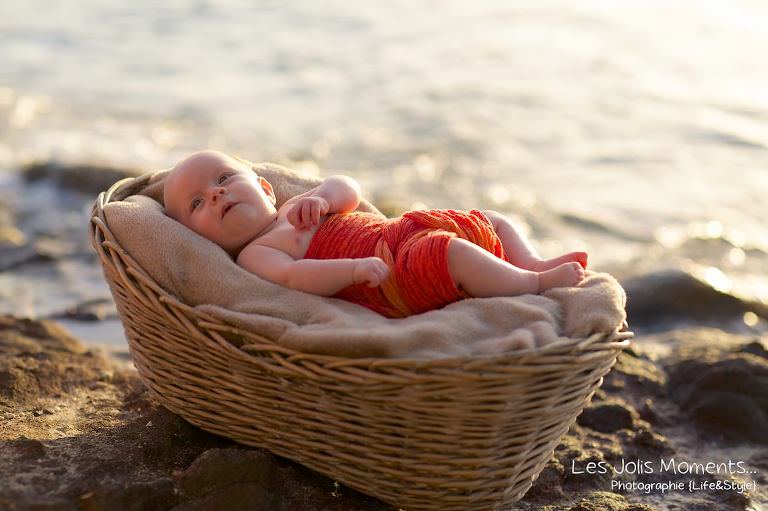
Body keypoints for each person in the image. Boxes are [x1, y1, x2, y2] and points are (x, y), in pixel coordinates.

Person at [163, 150, 587, 318]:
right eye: (197, 203)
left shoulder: (298, 205)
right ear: (199, 238)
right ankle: (533, 283)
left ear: (265, 188)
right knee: (448, 251)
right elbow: (298, 277)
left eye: (223, 178)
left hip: (403, 230)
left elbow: (349, 188)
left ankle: (528, 261)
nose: (216, 194)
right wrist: (352, 270)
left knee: (489, 220)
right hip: (389, 275)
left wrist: (328, 198)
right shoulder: (256, 253)